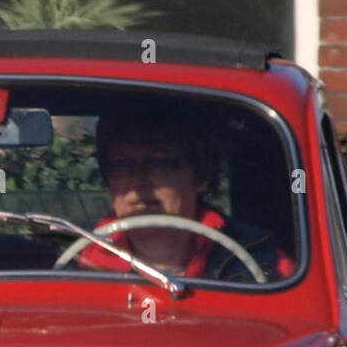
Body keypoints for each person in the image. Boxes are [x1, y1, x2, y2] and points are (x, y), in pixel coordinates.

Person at [78, 108, 295, 283]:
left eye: (159, 164)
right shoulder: (77, 267)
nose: (137, 181)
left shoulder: (261, 263)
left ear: (201, 176)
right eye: (122, 165)